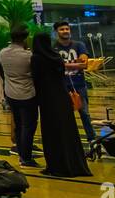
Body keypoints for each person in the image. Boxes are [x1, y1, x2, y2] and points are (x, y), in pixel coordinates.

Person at [31, 32, 92, 177]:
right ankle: (73, 163)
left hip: (47, 100)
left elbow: (36, 79)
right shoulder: (56, 56)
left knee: (52, 133)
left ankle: (56, 165)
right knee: (68, 131)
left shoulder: (37, 58)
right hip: (62, 97)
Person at [0, 25, 39, 168]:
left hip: (11, 93)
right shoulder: (28, 56)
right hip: (27, 94)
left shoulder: (3, 53)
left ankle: (21, 154)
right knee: (29, 126)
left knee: (19, 125)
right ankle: (26, 158)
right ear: (25, 38)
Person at [54, 21, 95, 143]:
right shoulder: (53, 47)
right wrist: (75, 64)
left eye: (67, 29)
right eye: (62, 29)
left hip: (79, 85)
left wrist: (64, 65)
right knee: (65, 115)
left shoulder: (79, 45)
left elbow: (84, 64)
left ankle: (92, 139)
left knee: (85, 114)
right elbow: (54, 66)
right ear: (56, 32)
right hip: (62, 86)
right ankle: (69, 140)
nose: (65, 31)